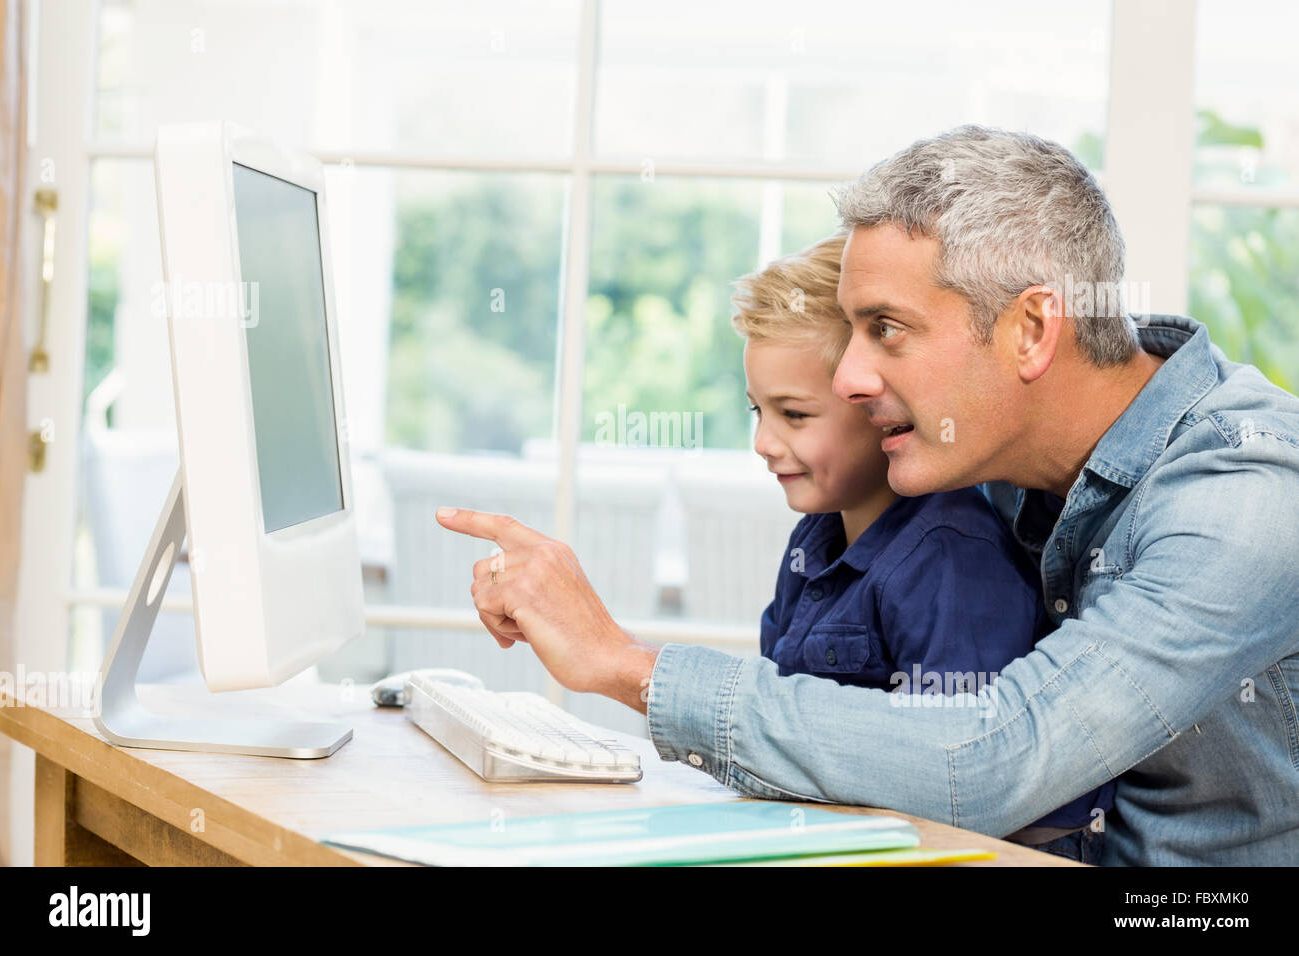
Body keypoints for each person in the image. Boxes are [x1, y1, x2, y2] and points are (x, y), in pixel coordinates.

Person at [436, 125, 1299, 866]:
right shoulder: (989, 450)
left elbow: (995, 757)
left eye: (886, 329)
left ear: (1032, 330)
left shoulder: (1246, 497)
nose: (849, 377)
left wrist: (628, 669)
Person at [732, 233, 1110, 861]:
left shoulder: (949, 556)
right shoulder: (816, 539)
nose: (763, 443)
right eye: (757, 412)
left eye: (794, 416)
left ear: (878, 407)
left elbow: (959, 779)